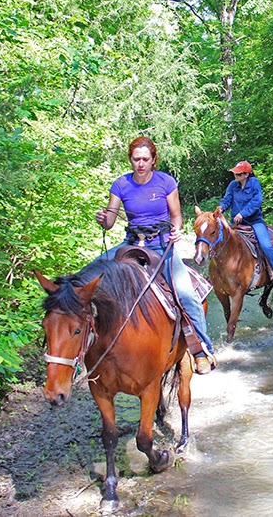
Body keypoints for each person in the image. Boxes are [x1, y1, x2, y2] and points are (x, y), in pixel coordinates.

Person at [95, 136, 216, 375]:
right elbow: (109, 222)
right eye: (136, 159)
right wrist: (103, 219)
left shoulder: (166, 182)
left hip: (161, 245)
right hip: (131, 244)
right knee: (87, 277)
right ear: (130, 160)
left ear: (153, 160)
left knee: (185, 294)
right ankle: (83, 348)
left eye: (145, 159)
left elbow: (176, 215)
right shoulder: (120, 185)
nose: (140, 163)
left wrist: (177, 230)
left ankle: (202, 349)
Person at [215, 161, 273, 289]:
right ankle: (219, 274)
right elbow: (227, 199)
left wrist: (242, 214)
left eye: (239, 174)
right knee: (220, 242)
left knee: (266, 245)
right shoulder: (233, 185)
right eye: (235, 173)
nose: (236, 176)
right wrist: (221, 207)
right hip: (236, 224)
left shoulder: (254, 183)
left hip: (254, 222)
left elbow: (257, 201)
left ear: (246, 174)